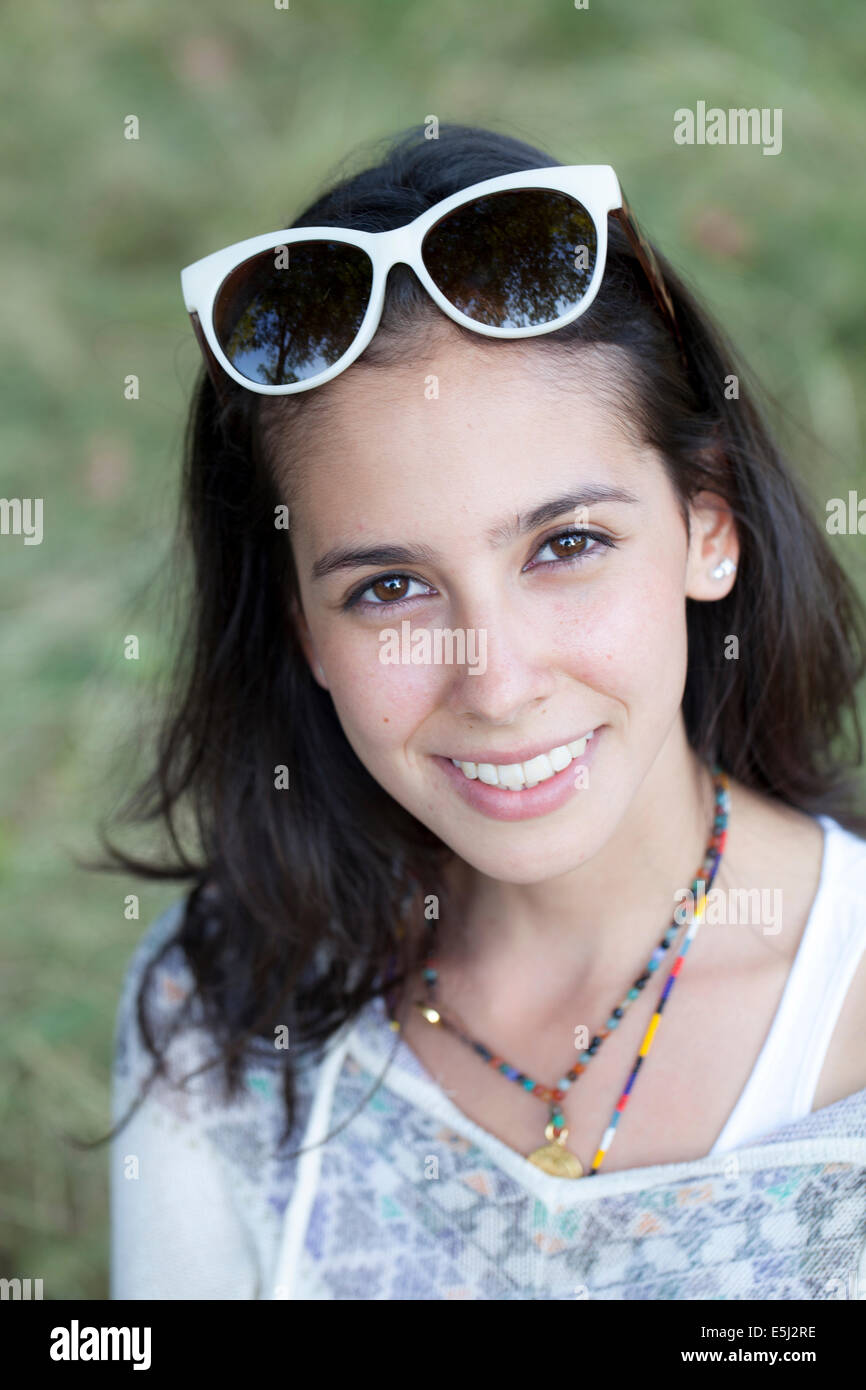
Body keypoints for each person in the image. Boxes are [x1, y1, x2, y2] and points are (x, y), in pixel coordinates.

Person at [104, 123, 866, 1300]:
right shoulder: (217, 1008)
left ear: (706, 529)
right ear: (306, 631)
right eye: (389, 588)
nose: (497, 682)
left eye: (565, 545)